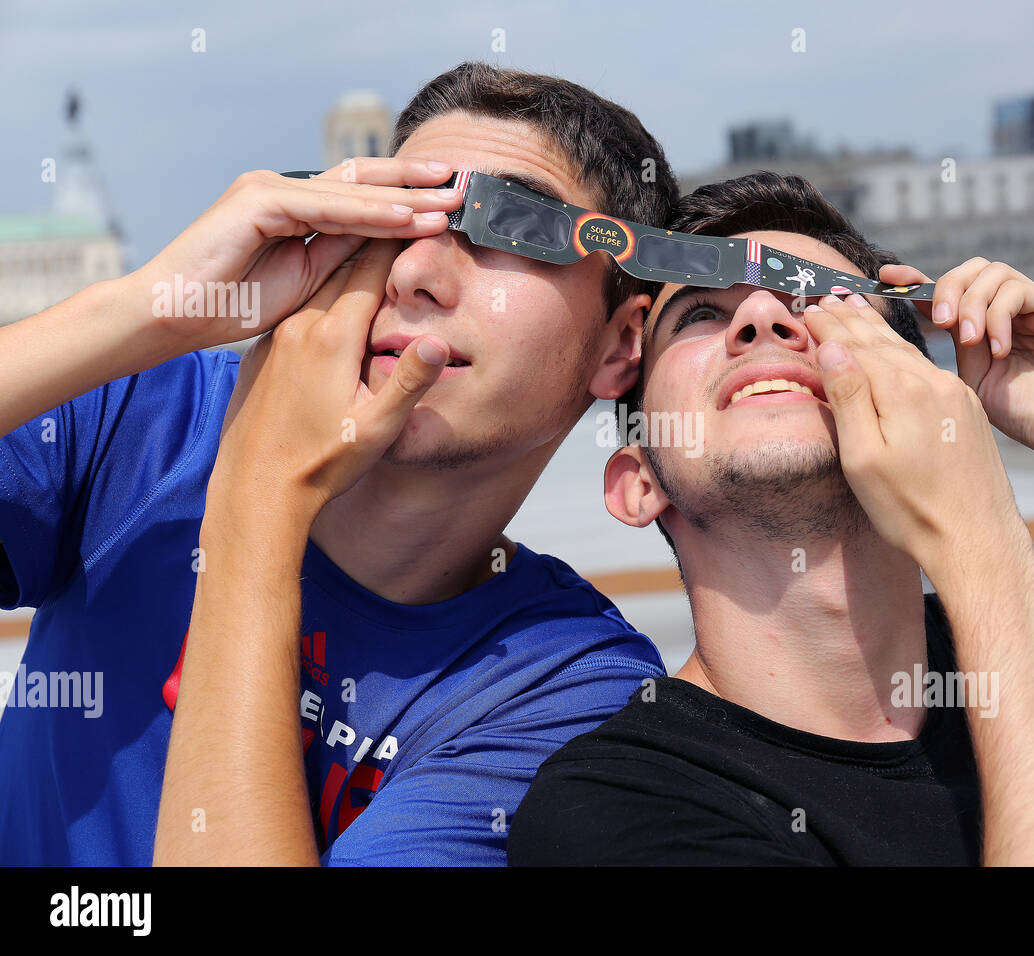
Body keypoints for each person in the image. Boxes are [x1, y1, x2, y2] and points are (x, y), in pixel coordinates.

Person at [506, 172, 1034, 865]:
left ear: (923, 397)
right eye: (701, 318)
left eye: (819, 302)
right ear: (637, 482)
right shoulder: (614, 806)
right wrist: (980, 544)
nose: (762, 321)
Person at [0, 62, 678, 865]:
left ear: (620, 344)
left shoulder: (569, 691)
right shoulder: (144, 413)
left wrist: (260, 496)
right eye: (400, 222)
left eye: (513, 230)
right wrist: (149, 306)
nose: (417, 273)